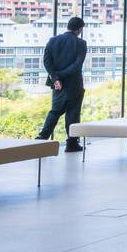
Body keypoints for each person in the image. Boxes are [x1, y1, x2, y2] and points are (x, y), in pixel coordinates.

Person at [37, 16, 88, 152]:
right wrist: (60, 76)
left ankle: (42, 138)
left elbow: (46, 61)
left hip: (57, 84)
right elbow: (77, 65)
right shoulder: (81, 43)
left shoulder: (53, 40)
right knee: (73, 113)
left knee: (55, 110)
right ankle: (72, 143)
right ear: (79, 29)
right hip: (74, 84)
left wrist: (55, 77)